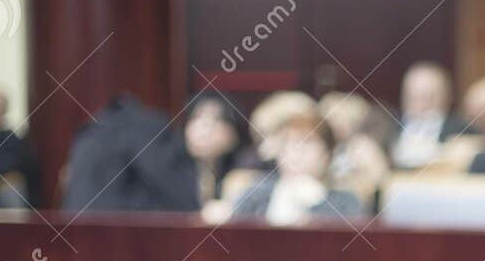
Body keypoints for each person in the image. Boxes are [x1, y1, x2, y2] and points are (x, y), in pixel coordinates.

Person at [61, 93, 198, 213]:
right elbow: (176, 191)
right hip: (119, 228)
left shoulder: (88, 133)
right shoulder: (147, 129)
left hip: (73, 227)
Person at [229, 115, 364, 225]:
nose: (295, 153)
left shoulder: (346, 202)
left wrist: (316, 202)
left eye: (307, 142)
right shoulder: (254, 195)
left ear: (327, 154)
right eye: (286, 143)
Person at [392, 62, 469, 169]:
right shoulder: (389, 128)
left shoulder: (462, 129)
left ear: (447, 98)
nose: (421, 106)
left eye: (429, 99)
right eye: (413, 98)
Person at [184, 93, 246, 203]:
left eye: (217, 119)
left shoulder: (246, 171)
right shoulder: (169, 171)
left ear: (234, 133)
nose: (206, 126)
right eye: (197, 117)